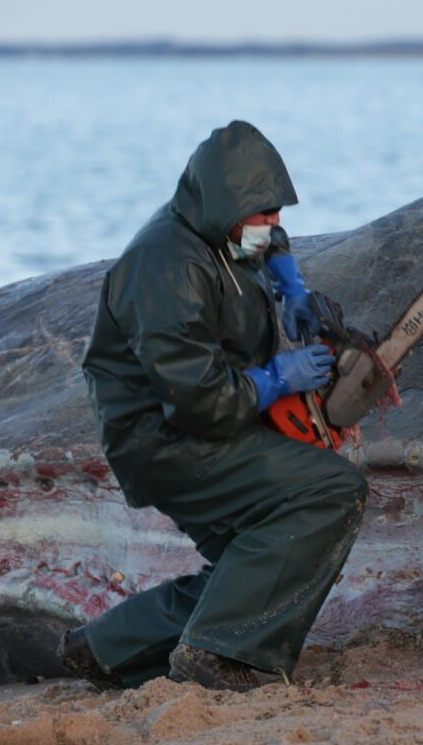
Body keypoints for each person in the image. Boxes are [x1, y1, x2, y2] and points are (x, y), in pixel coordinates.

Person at [59, 121, 369, 692]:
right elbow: (199, 400)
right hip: (166, 438)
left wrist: (290, 286)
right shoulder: (164, 267)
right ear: (226, 207)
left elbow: (270, 241)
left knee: (257, 567)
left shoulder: (225, 227)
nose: (273, 226)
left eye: (277, 211)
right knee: (332, 488)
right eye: (262, 215)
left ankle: (108, 648)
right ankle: (217, 657)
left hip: (207, 420)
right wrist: (277, 378)